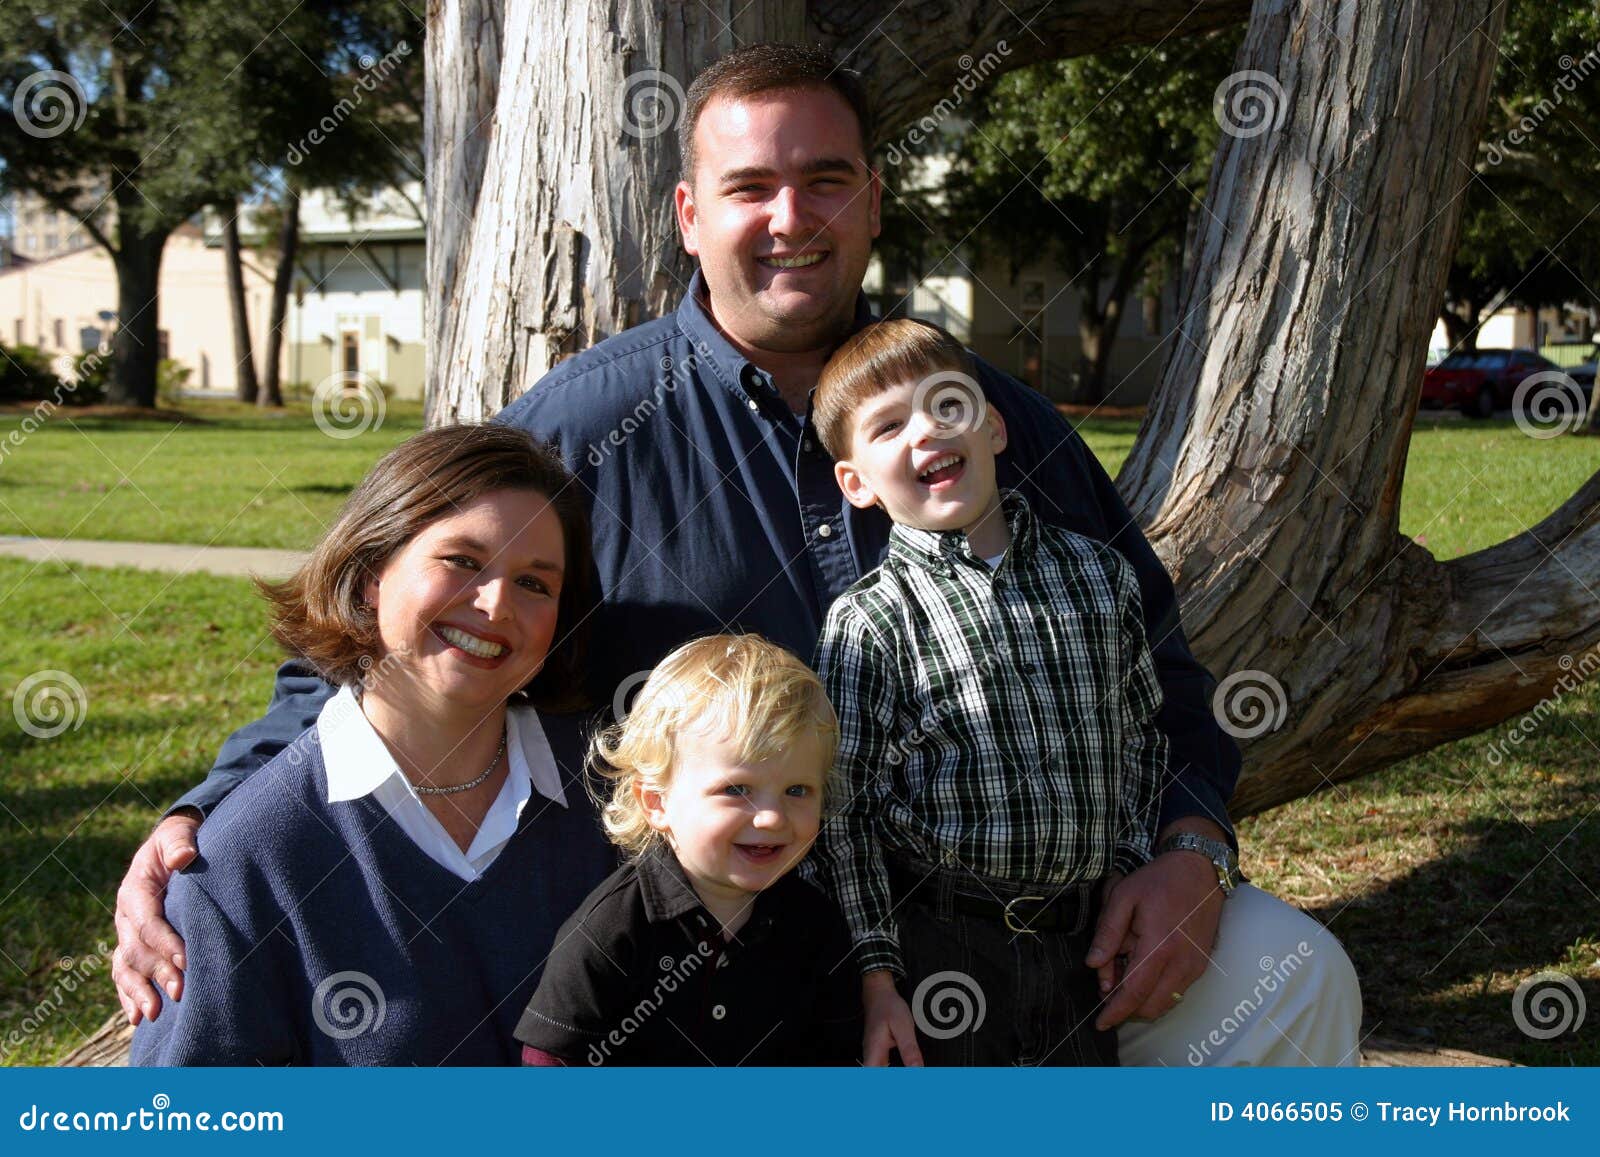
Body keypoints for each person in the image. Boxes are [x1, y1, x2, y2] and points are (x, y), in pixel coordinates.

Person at [114, 42, 1360, 1066]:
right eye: (752, 185)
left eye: (826, 180)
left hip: (1029, 921)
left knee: (1289, 971)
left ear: (874, 198)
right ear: (690, 213)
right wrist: (201, 818)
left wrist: (1190, 849)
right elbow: (388, 642)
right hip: (733, 943)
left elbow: (1163, 671)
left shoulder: (993, 422)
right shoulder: (588, 429)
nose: (790, 218)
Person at [131, 425, 616, 1064]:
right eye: (462, 562)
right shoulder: (241, 861)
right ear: (369, 577)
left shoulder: (618, 808)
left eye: (535, 583)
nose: (497, 605)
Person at [809, 318, 1165, 1065]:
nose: (926, 433)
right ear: (856, 483)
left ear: (994, 426)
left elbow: (1140, 738)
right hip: (944, 941)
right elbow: (845, 814)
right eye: (887, 426)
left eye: (946, 406)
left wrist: (1129, 870)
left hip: (1082, 940)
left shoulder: (1100, 578)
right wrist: (877, 974)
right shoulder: (869, 622)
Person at [515, 635, 860, 1066]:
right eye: (737, 790)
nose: (772, 818)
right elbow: (551, 1062)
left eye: (797, 790)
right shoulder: (612, 929)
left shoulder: (816, 925)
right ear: (656, 803)